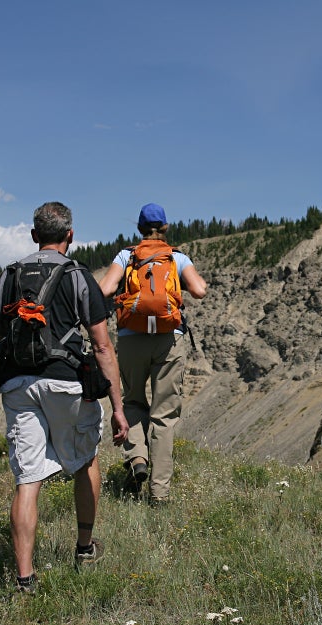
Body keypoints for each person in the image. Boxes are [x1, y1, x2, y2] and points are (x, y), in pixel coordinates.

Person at [0, 201, 128, 593]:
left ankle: (25, 577)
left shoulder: (9, 276)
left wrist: (1, 384)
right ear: (69, 236)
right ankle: (83, 547)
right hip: (66, 384)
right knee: (84, 460)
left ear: (34, 236)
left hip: (19, 385)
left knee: (27, 479)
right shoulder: (78, 276)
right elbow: (101, 347)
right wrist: (117, 406)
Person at [99, 202, 207, 506]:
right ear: (166, 228)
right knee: (164, 415)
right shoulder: (177, 257)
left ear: (139, 229)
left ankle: (137, 459)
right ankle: (159, 494)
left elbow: (106, 289)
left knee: (132, 400)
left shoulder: (127, 255)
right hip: (168, 339)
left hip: (132, 338)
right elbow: (199, 291)